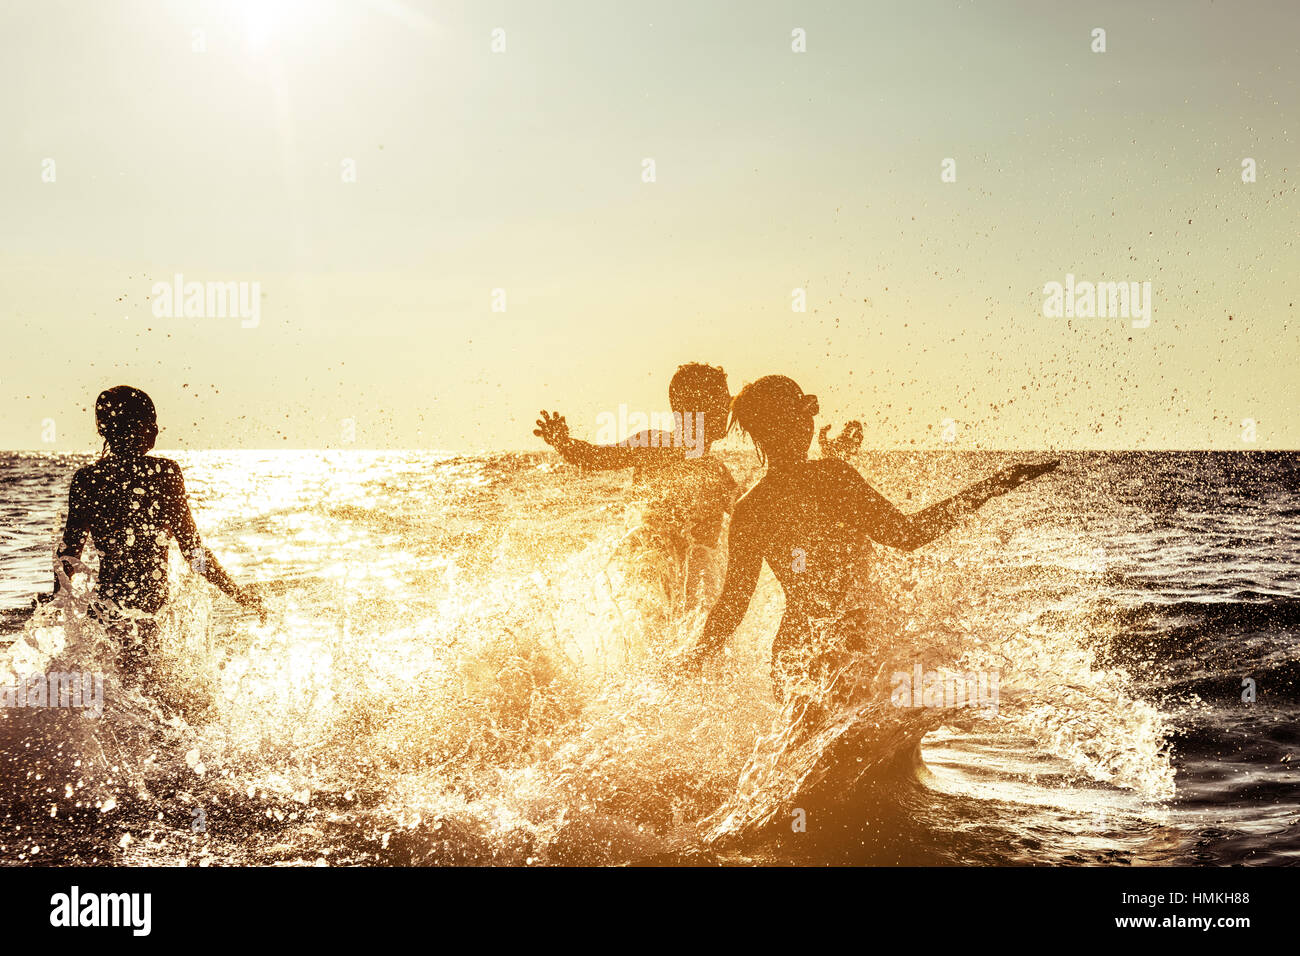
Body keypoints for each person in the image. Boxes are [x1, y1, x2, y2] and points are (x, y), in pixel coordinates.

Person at [678, 375, 1057, 698]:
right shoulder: (832, 477)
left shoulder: (750, 507)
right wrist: (997, 484)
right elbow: (908, 535)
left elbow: (732, 607)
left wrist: (689, 663)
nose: (812, 417)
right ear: (793, 421)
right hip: (848, 640)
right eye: (807, 408)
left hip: (794, 650)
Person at [43, 386, 264, 684]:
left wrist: (54, 605)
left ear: (104, 429)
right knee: (150, 696)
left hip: (106, 612)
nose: (157, 429)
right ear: (144, 428)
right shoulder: (164, 473)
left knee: (115, 698)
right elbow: (193, 552)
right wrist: (239, 595)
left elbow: (69, 555)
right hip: (147, 614)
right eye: (152, 422)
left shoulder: (88, 479)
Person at [533, 363, 739, 615]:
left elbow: (753, 519)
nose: (729, 405)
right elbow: (598, 458)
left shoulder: (716, 472)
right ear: (701, 407)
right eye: (723, 399)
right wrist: (564, 444)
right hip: (652, 577)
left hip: (686, 585)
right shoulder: (658, 445)